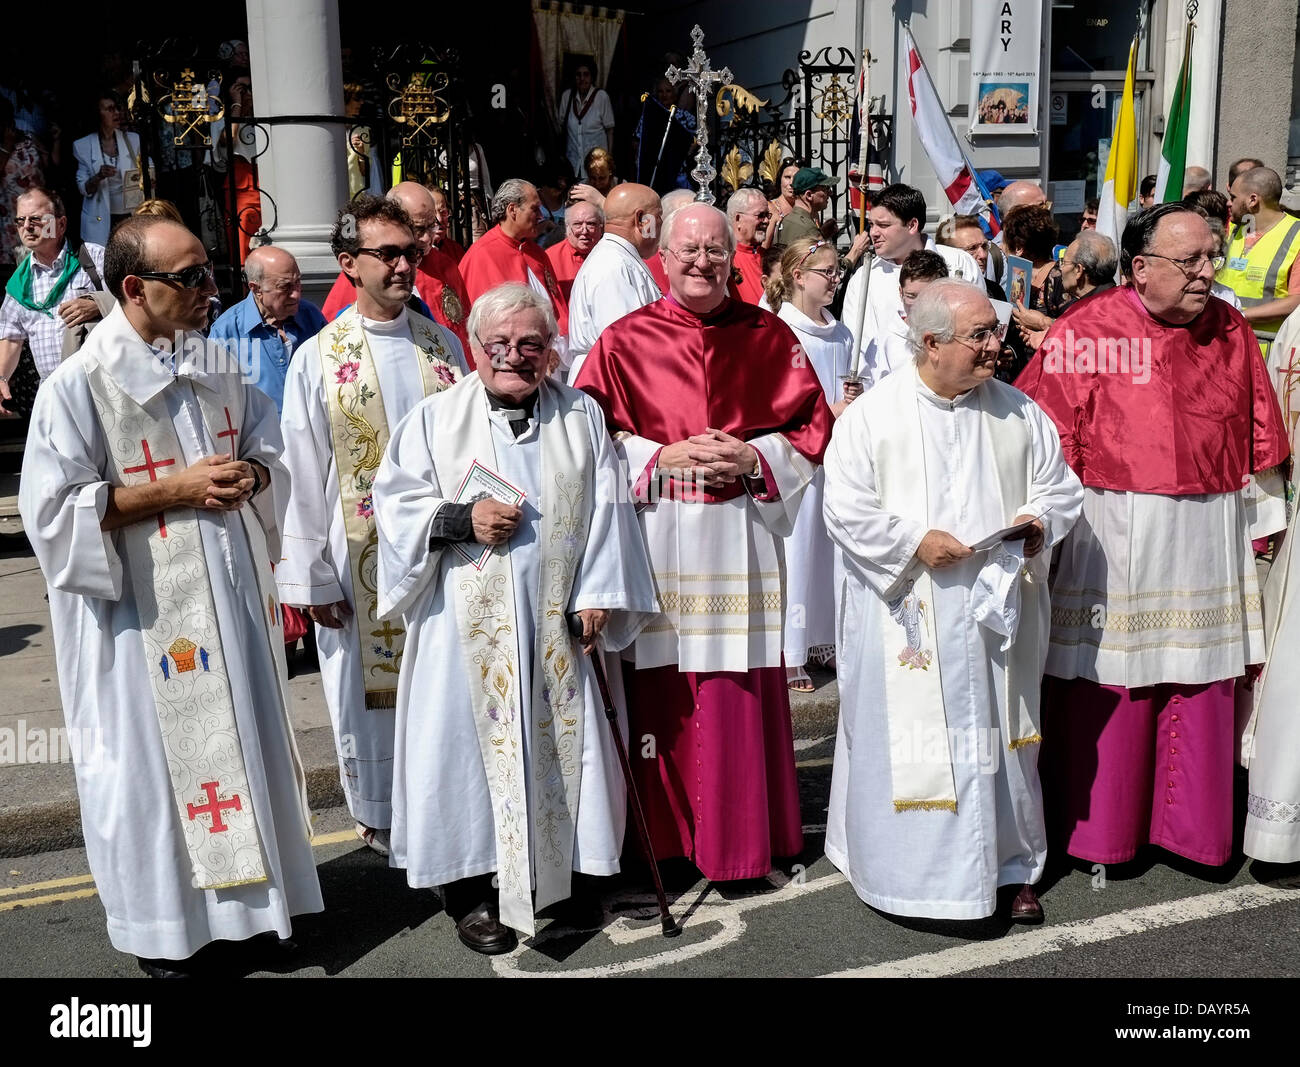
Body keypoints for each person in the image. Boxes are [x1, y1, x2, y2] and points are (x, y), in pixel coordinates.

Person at [18, 215, 322, 976]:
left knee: (243, 750)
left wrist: (251, 476)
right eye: (189, 279)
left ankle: (255, 917)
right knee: (153, 775)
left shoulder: (216, 361)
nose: (209, 289)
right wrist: (173, 489)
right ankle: (168, 932)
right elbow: (53, 515)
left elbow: (270, 452)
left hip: (229, 605)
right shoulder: (78, 387)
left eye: (207, 271)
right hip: (137, 623)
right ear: (133, 289)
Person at [373, 282, 658, 953]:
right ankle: (474, 889)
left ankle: (561, 873)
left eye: (531, 343)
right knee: (468, 756)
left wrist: (599, 591)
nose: (515, 356)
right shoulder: (434, 419)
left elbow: (611, 505)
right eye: (498, 344)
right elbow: (393, 507)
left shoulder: (581, 413)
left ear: (552, 350)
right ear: (473, 348)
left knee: (560, 747)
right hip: (462, 633)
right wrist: (457, 518)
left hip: (559, 622)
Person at [1015, 203, 1289, 870]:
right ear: (1141, 269)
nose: (1207, 273)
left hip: (1206, 529)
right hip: (1114, 530)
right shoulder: (1088, 328)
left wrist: (1262, 519)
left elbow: (1255, 428)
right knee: (1115, 677)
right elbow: (1039, 441)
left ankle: (1192, 829)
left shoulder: (1226, 325)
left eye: (1210, 258)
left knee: (1200, 674)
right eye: (1190, 261)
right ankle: (1103, 830)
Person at [575, 203, 833, 882]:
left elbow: (814, 428)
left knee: (733, 689)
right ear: (662, 257)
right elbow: (584, 439)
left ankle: (741, 842)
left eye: (715, 251)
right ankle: (662, 844)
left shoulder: (770, 336)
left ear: (733, 260)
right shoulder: (624, 341)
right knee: (662, 691)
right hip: (657, 535)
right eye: (688, 250)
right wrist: (658, 458)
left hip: (740, 537)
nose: (701, 262)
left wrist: (757, 459)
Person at [823, 280, 1083, 921]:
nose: (998, 345)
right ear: (931, 342)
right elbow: (845, 507)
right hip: (911, 616)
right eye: (982, 335)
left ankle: (1012, 866)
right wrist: (915, 541)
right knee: (915, 742)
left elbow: (1061, 489)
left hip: (997, 619)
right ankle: (907, 875)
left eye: (995, 331)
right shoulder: (873, 416)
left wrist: (1034, 523)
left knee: (1003, 734)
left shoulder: (1018, 411)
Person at [277, 196, 468, 857]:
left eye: (409, 251)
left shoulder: (444, 346)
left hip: (443, 557)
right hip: (358, 567)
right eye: (386, 253)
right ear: (347, 264)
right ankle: (383, 816)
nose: (402, 264)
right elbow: (299, 474)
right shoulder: (320, 357)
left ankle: (443, 804)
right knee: (371, 698)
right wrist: (310, 579)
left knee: (442, 687)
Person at [764, 237, 855, 692]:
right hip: (796, 452)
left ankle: (825, 638)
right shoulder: (781, 331)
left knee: (829, 547)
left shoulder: (840, 331)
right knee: (799, 550)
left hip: (834, 455)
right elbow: (775, 402)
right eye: (827, 271)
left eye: (838, 270)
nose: (835, 278)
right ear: (798, 275)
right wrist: (828, 412)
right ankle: (791, 650)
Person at [841, 184, 980, 382]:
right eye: (871, 225)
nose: (873, 233)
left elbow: (979, 326)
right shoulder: (865, 278)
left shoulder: (959, 263)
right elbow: (857, 347)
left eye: (883, 225)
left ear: (912, 225)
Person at [0, 188, 106, 411]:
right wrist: (1, 379)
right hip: (55, 397)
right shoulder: (19, 284)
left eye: (36, 219)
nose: (26, 226)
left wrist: (98, 304)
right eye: (20, 220)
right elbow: (10, 338)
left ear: (61, 224)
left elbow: (132, 301)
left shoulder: (94, 258)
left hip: (102, 388)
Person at [208, 245, 326, 415]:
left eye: (298, 282)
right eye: (285, 287)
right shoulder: (226, 332)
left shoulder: (312, 317)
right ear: (256, 289)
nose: (296, 294)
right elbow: (217, 399)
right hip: (261, 439)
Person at [564, 183, 662, 377]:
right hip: (609, 380)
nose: (660, 224)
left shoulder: (618, 258)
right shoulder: (613, 265)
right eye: (658, 217)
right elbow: (624, 343)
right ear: (642, 219)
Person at [458, 178, 568, 333]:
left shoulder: (536, 252)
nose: (540, 216)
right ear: (512, 210)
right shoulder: (481, 255)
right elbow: (481, 323)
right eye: (534, 209)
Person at [1218, 166, 1300, 346]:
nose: (1228, 203)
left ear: (1253, 200)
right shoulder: (1233, 230)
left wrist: (1239, 315)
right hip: (1226, 342)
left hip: (1266, 349)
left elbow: (1297, 301)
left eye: (1233, 197)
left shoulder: (1297, 236)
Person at [1014, 230, 1118, 350]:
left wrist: (1043, 323)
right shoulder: (1117, 299)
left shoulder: (1097, 310)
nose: (1060, 269)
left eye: (1063, 262)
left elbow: (1081, 345)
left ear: (1078, 270)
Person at [73, 92, 141, 247]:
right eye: (110, 109)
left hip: (129, 213)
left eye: (117, 108)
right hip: (101, 216)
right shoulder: (83, 146)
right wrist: (98, 176)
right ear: (97, 114)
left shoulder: (133, 139)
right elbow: (84, 188)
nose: (116, 113)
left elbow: (147, 165)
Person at [0, 96, 46, 276]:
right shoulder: (3, 145)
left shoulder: (29, 138)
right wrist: (7, 145)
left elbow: (51, 163)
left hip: (37, 209)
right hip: (9, 215)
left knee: (40, 258)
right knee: (15, 267)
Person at [559, 63, 614, 183]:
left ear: (592, 77)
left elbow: (610, 131)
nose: (582, 78)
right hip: (573, 165)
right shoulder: (567, 97)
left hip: (596, 169)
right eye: (578, 75)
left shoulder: (601, 97)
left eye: (586, 74)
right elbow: (561, 126)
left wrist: (609, 161)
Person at [546, 199, 603, 305]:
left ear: (601, 227)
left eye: (591, 224)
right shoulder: (550, 258)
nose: (584, 231)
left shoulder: (610, 255)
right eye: (578, 224)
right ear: (567, 227)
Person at [726, 187, 770, 303]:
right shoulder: (725, 259)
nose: (766, 221)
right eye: (760, 215)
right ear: (738, 218)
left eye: (767, 215)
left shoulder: (770, 257)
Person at [773, 167, 836, 246]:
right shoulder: (808, 228)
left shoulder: (787, 220)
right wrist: (855, 250)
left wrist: (821, 234)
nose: (830, 193)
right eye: (825, 188)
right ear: (809, 195)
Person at [428, 185, 466, 264]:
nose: (439, 219)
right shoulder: (414, 257)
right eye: (431, 213)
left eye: (443, 212)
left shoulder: (456, 251)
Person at [767, 160, 801, 240]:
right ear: (780, 180)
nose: (792, 182)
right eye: (787, 177)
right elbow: (763, 247)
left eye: (797, 178)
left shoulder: (809, 209)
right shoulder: (770, 208)